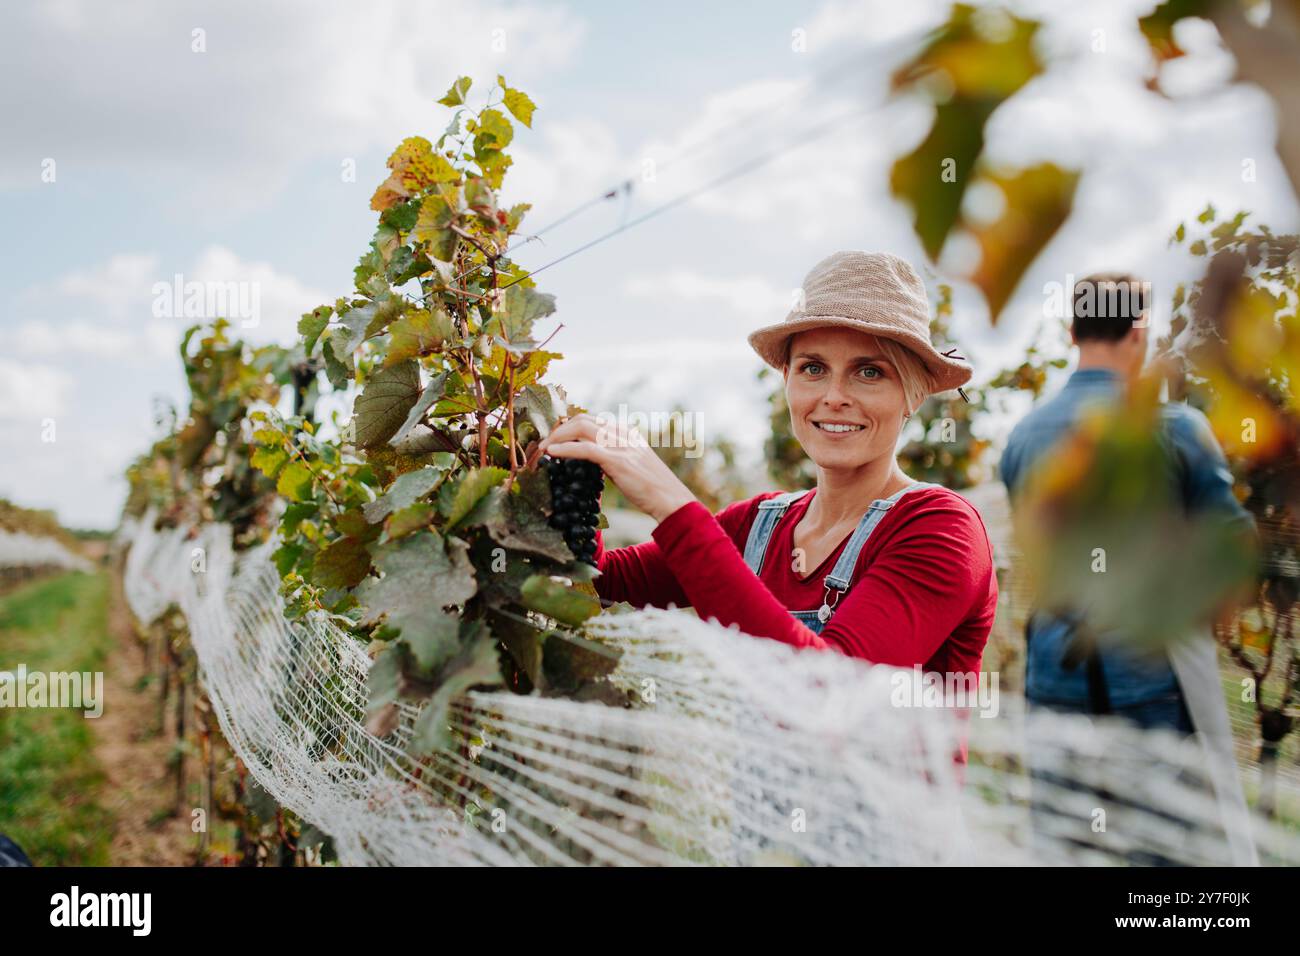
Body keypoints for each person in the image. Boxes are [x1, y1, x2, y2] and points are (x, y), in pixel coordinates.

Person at [538, 250, 998, 697]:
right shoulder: (760, 523)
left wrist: (671, 503)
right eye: (813, 368)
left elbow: (828, 693)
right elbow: (603, 581)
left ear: (913, 395)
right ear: (787, 381)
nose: (834, 395)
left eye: (870, 372)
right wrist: (571, 482)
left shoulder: (941, 529)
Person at [999, 272, 1254, 732]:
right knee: (1160, 805)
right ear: (1140, 331)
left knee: (1063, 807)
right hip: (1151, 676)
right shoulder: (1179, 428)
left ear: (1072, 332)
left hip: (1054, 672)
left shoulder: (1022, 437)